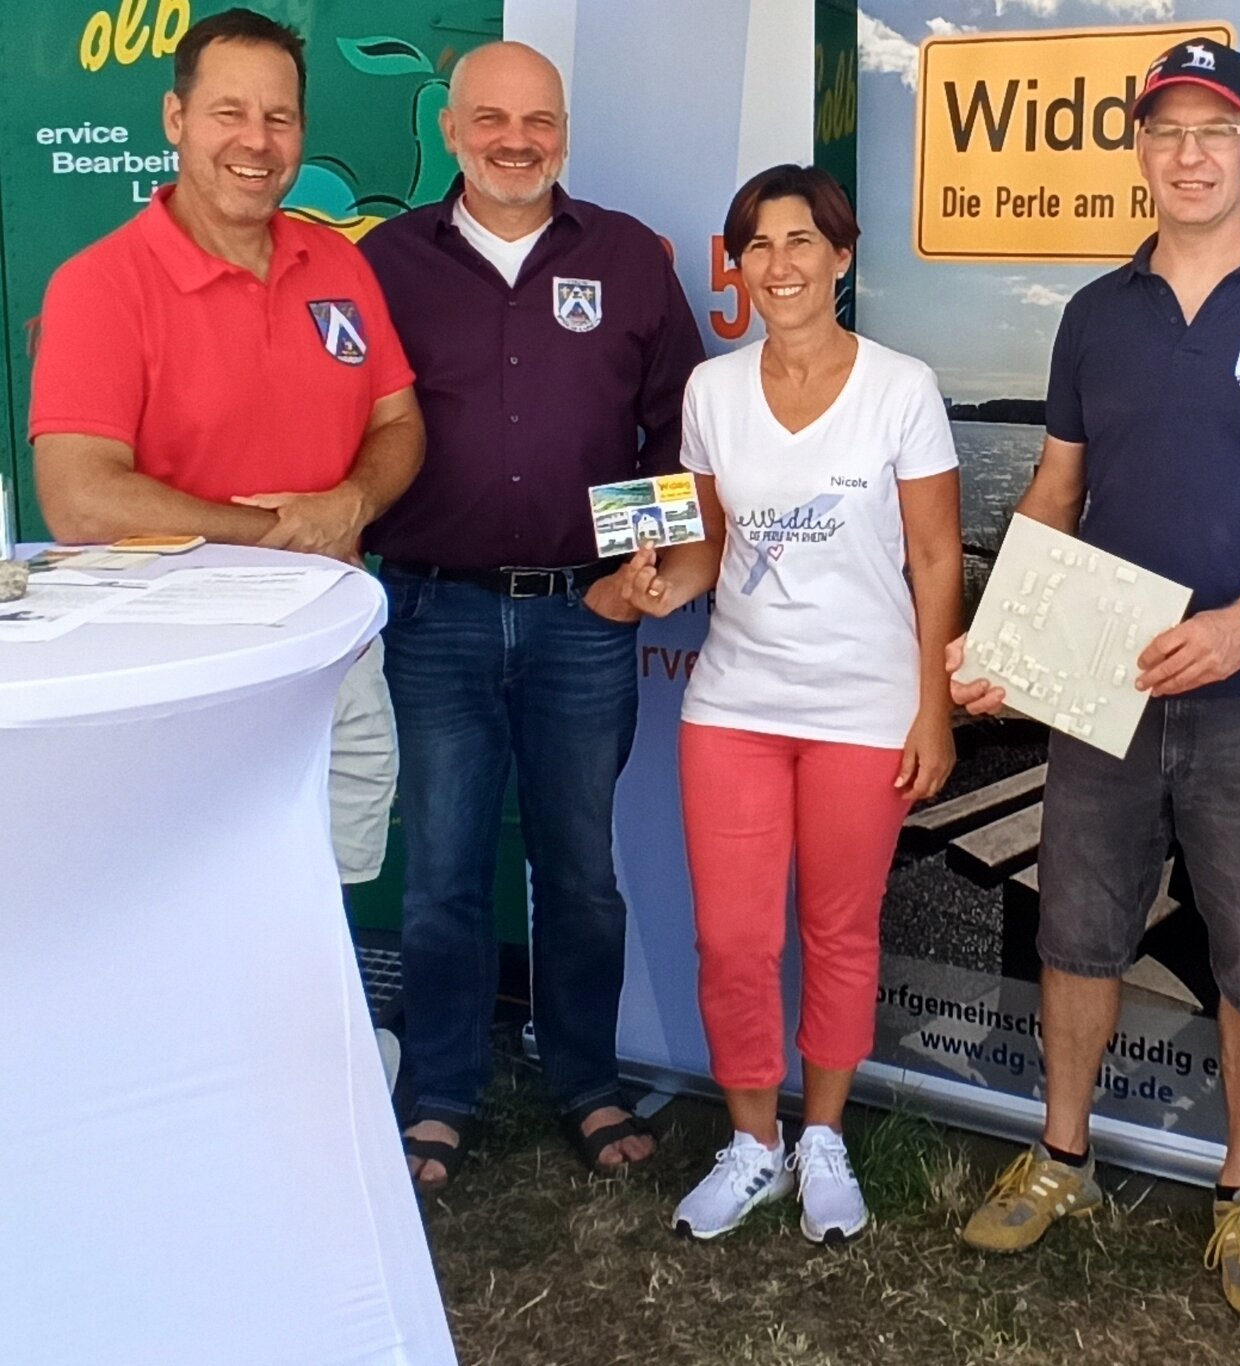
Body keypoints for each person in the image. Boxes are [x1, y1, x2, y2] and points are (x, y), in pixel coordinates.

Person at [946, 40, 1240, 1319]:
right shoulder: (1096, 312)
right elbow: (1053, 488)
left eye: (1214, 131)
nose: (1188, 153)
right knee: (1077, 928)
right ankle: (1061, 1156)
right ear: (1138, 153)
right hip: (1108, 680)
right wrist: (1000, 637)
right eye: (1165, 131)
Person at [357, 41, 705, 1191]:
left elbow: (674, 433)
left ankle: (587, 1080)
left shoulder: (626, 258)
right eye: (493, 120)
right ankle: (440, 1090)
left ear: (565, 131)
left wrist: (635, 568)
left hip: (580, 619)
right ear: (452, 130)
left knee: (580, 873)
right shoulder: (388, 262)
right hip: (432, 613)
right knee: (448, 869)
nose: (518, 141)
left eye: (540, 121)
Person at [592, 165, 962, 1244]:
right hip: (736, 705)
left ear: (841, 259)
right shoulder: (712, 393)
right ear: (737, 265)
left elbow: (937, 557)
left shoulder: (900, 385)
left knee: (838, 931)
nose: (781, 265)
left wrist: (931, 706)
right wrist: (660, 583)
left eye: (803, 242)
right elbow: (708, 549)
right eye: (758, 246)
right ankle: (752, 1139)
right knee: (733, 939)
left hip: (864, 708)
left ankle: (824, 1137)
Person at [28, 7, 421, 895]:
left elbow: (400, 423)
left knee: (333, 899)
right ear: (176, 121)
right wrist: (267, 529)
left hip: (337, 662)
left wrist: (353, 501)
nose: (257, 140)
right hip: (181, 679)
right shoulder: (100, 285)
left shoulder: (339, 265)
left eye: (279, 118)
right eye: (229, 113)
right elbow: (79, 496)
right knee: (191, 910)